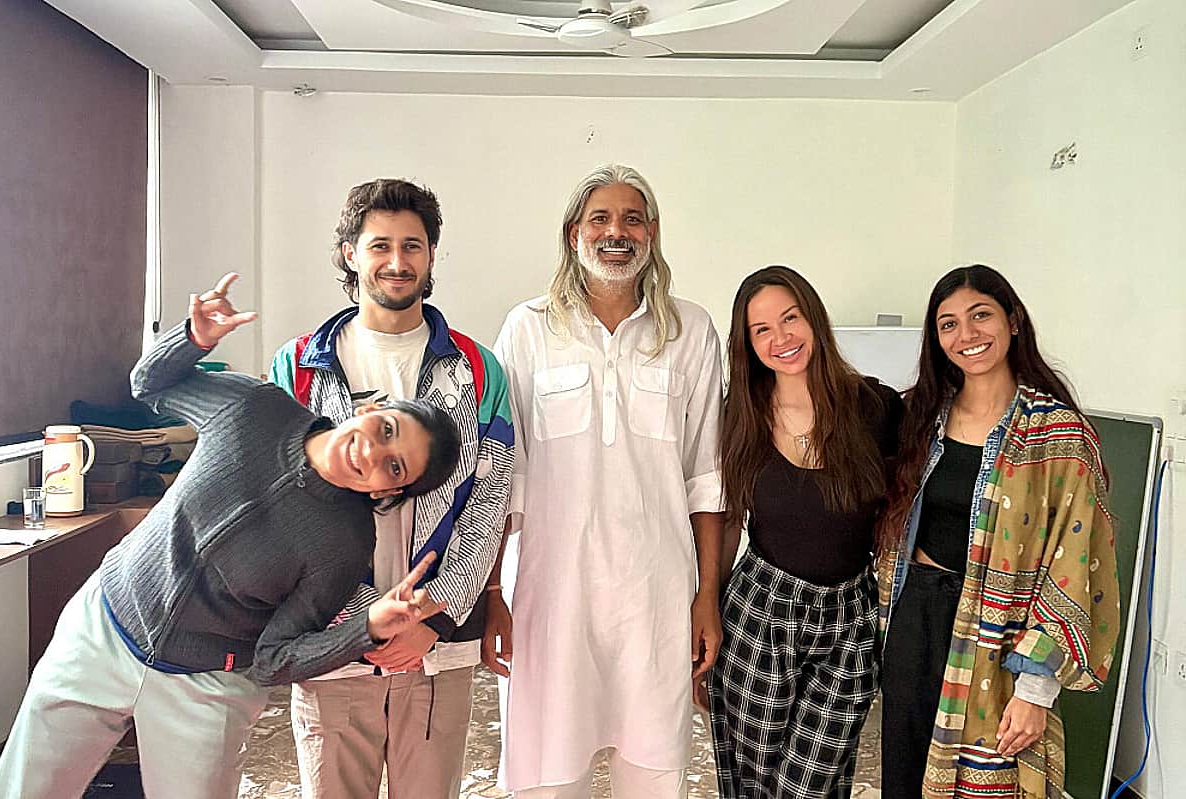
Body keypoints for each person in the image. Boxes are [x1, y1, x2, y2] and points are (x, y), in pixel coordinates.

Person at [0, 274, 461, 799]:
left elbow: (276, 656)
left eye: (394, 469)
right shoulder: (257, 409)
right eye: (388, 431)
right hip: (105, 624)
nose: (373, 454)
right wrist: (194, 339)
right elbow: (150, 385)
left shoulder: (345, 545)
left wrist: (365, 628)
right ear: (373, 409)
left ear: (386, 491)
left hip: (208, 684)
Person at [483, 163, 725, 798]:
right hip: (549, 589)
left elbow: (707, 476)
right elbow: (500, 474)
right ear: (573, 233)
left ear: (652, 234)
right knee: (545, 768)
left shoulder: (691, 330)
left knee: (652, 766)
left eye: (633, 218)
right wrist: (492, 596)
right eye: (601, 218)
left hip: (655, 592)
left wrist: (707, 597)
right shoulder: (528, 327)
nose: (617, 232)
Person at [269, 178, 514, 799]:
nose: (397, 262)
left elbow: (490, 498)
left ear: (432, 256)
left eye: (413, 246)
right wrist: (365, 626)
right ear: (350, 254)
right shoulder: (295, 368)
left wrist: (426, 616)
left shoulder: (479, 370)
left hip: (436, 644)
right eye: (380, 245)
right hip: (328, 639)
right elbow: (283, 516)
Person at [877, 264, 1120, 799]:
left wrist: (1036, 687)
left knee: (991, 781)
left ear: (1013, 321)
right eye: (948, 325)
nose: (967, 335)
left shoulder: (1058, 435)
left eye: (980, 315)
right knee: (904, 772)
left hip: (999, 641)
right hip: (914, 617)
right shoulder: (918, 416)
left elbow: (1077, 560)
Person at [705, 266, 901, 798]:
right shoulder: (738, 417)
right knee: (751, 781)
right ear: (748, 344)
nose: (781, 338)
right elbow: (725, 522)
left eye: (790, 318)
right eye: (762, 329)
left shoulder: (875, 408)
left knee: (811, 785)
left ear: (813, 318)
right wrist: (707, 615)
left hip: (849, 618)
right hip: (760, 613)